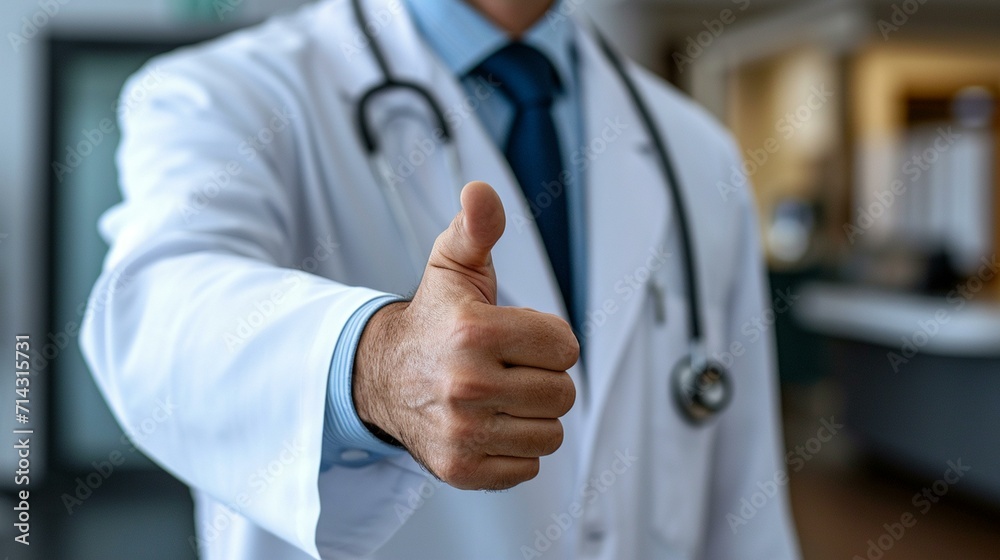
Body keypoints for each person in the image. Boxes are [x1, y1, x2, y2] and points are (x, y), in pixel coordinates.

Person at [80, 0, 801, 558]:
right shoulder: (230, 91)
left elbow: (747, 502)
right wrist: (374, 366)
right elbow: (152, 312)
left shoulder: (695, 152)